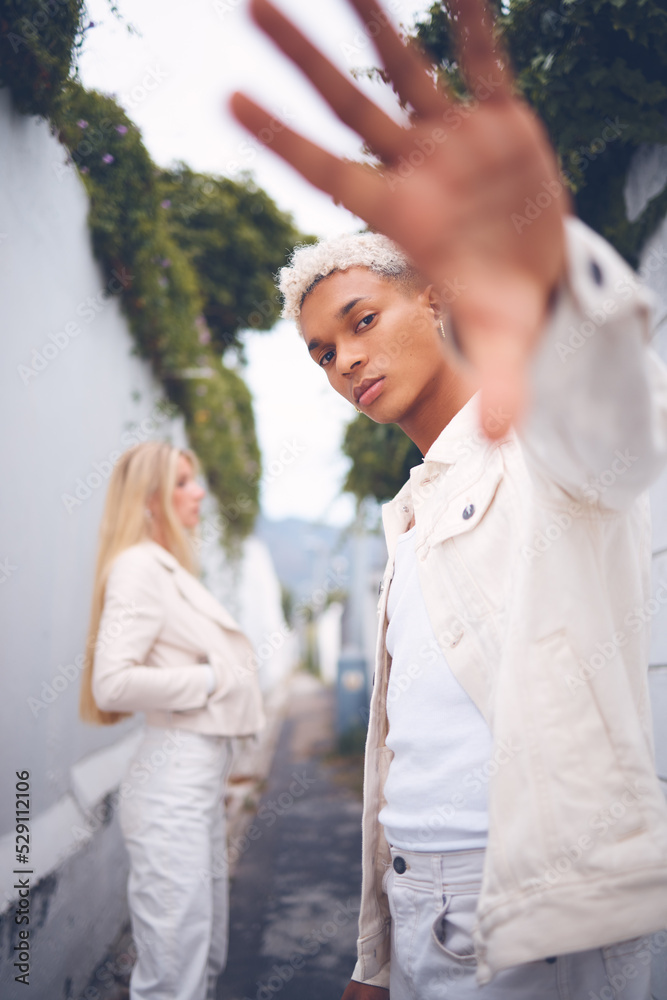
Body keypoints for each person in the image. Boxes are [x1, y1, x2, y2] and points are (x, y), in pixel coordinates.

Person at [231, 0, 667, 997]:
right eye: (321, 352)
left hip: (530, 910)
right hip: (416, 905)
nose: (344, 359)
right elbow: (401, 756)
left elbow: (621, 427)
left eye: (360, 319)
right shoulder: (412, 509)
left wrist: (544, 277)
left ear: (434, 292)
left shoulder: (545, 447)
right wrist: (372, 955)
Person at [79, 440, 265, 1000]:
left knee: (201, 956)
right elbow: (111, 682)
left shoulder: (164, 568)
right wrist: (209, 680)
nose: (199, 492)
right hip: (172, 784)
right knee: (173, 973)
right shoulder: (138, 568)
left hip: (195, 779)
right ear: (151, 498)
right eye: (183, 482)